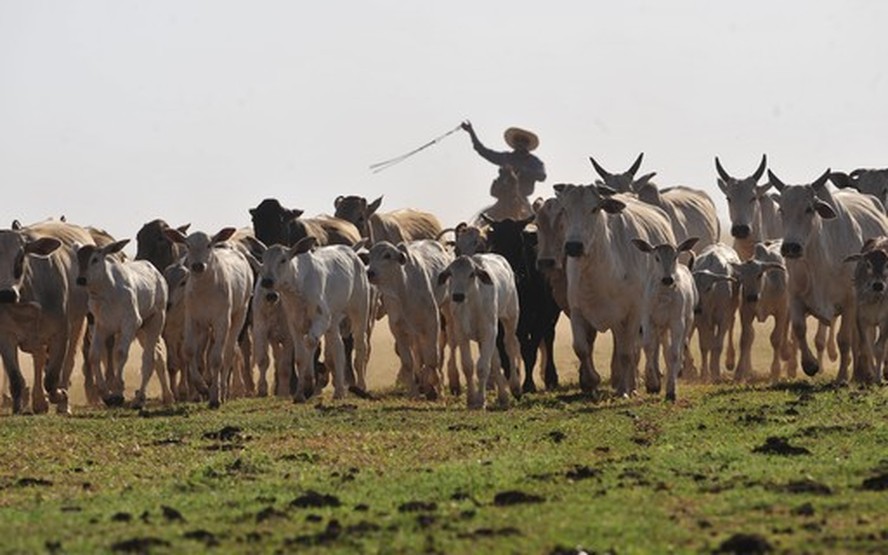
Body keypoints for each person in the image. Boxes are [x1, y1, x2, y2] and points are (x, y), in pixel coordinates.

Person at [461, 121, 547, 197]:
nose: (520, 143)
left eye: (523, 141)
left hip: (522, 198)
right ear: (514, 142)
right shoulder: (506, 157)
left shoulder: (534, 161)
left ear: (527, 144)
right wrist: (471, 132)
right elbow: (482, 150)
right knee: (483, 215)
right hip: (502, 195)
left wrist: (521, 170)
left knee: (532, 215)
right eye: (517, 140)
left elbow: (542, 176)